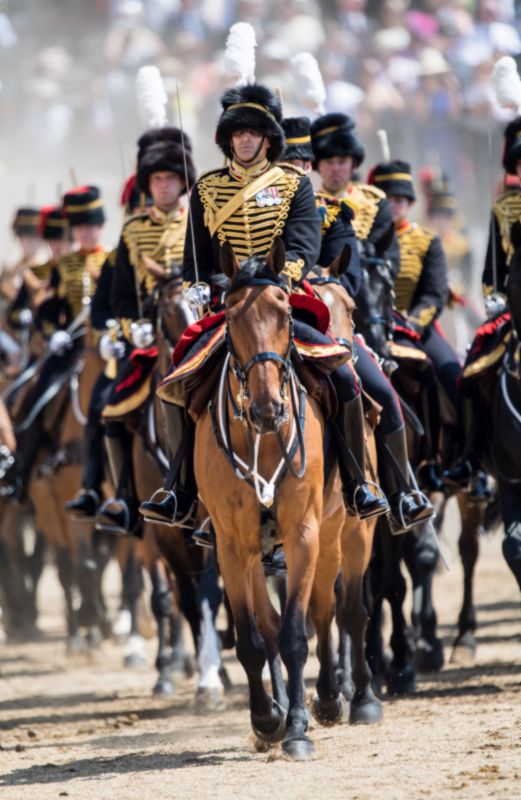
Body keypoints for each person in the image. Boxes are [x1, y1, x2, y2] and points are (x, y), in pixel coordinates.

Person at [141, 83, 390, 528]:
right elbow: (196, 256)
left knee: (346, 377)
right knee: (175, 382)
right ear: (228, 139)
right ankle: (181, 490)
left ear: (267, 138)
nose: (244, 140)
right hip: (230, 306)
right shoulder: (207, 189)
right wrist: (203, 286)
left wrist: (279, 280)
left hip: (281, 300)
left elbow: (304, 244)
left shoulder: (293, 184)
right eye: (237, 133)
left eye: (253, 132)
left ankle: (357, 483)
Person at [310, 122, 433, 528]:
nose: (335, 168)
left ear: (352, 164)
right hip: (299, 313)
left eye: (342, 160)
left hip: (359, 311)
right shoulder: (301, 201)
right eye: (328, 161)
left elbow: (384, 262)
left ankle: (404, 492)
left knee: (391, 391)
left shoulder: (372, 202)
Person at [94, 129, 196, 534]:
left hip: (199, 332)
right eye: (157, 179)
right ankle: (124, 498)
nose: (165, 185)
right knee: (112, 410)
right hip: (151, 341)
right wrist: (132, 327)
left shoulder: (199, 222)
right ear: (148, 184)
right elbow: (120, 295)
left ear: (182, 181)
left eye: (171, 178)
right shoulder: (133, 230)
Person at [0, 186, 107, 500]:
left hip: (107, 346)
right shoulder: (64, 265)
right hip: (70, 349)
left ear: (100, 226)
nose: (85, 233)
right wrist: (52, 332)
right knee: (34, 402)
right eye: (80, 227)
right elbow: (50, 312)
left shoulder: (113, 258)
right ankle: (20, 473)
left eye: (90, 226)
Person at [444, 116, 521, 492]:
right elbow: (493, 271)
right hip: (515, 312)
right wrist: (499, 302)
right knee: (475, 369)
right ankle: (472, 456)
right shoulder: (503, 208)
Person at [65, 177, 142, 520]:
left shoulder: (182, 244)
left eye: (91, 225)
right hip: (112, 350)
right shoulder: (115, 258)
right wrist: (112, 332)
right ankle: (94, 488)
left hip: (172, 343)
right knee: (98, 406)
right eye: (138, 208)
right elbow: (99, 309)